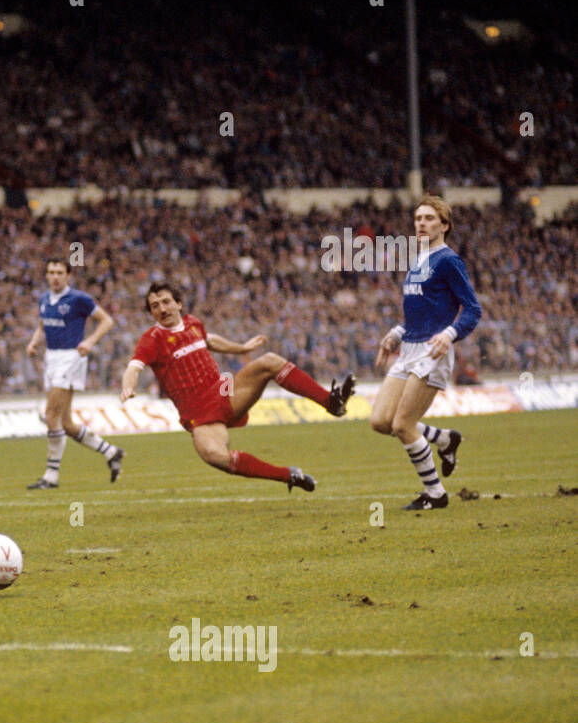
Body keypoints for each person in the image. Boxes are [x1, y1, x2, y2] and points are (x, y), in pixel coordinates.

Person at [119, 282, 356, 491]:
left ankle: (331, 402)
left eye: (166, 302)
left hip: (224, 392)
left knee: (270, 361)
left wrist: (241, 348)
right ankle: (288, 475)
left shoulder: (194, 324)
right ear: (151, 313)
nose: (161, 309)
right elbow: (134, 367)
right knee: (215, 456)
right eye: (155, 306)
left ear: (179, 303)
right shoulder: (151, 340)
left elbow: (210, 340)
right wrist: (127, 387)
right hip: (199, 415)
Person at [371, 194, 481, 510]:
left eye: (430, 218)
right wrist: (395, 334)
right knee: (380, 420)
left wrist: (449, 335)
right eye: (418, 218)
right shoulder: (418, 260)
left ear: (444, 225)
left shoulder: (448, 261)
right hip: (408, 349)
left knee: (402, 425)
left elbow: (473, 309)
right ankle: (444, 438)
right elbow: (419, 317)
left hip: (433, 352)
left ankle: (435, 494)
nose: (422, 223)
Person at [25, 259, 124, 489]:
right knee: (66, 423)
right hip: (51, 357)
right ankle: (111, 452)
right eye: (51, 272)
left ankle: (51, 476)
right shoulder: (44, 299)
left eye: (60, 272)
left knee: (50, 416)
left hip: (71, 358)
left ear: (68, 275)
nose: (55, 276)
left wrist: (89, 341)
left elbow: (107, 320)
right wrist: (33, 343)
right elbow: (42, 326)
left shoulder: (79, 299)